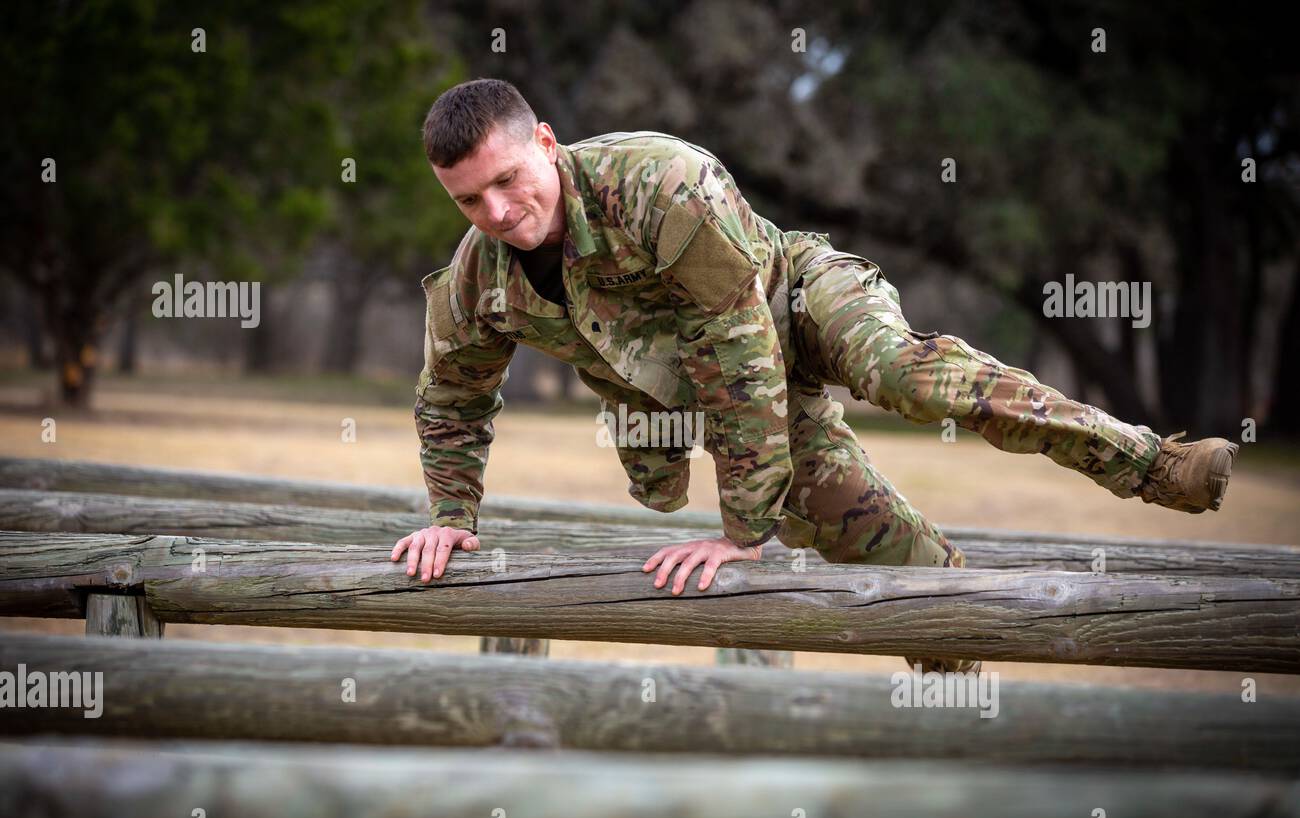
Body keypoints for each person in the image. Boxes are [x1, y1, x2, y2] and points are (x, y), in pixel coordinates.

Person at [390, 78, 1239, 674]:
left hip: (791, 300)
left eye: (508, 180)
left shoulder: (656, 184)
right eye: (469, 200)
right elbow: (452, 397)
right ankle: (954, 693)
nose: (498, 213)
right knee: (880, 546)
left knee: (903, 374)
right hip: (703, 385)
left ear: (546, 143)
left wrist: (741, 530)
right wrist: (450, 516)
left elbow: (741, 345)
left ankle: (1150, 463)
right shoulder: (479, 277)